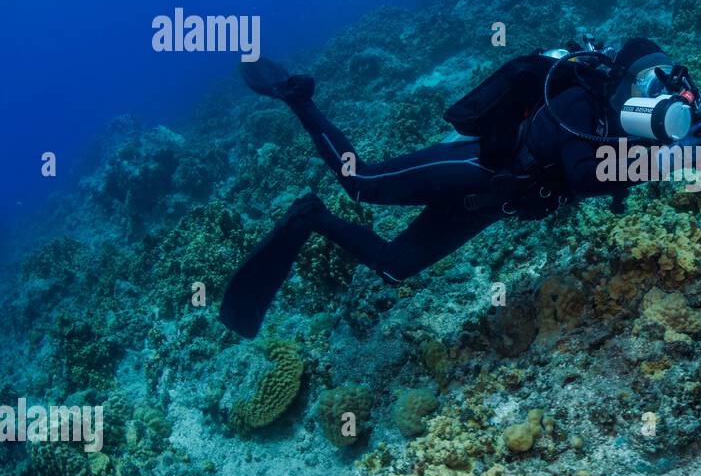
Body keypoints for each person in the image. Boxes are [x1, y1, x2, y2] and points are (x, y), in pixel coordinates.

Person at [218, 38, 677, 338]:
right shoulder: (581, 100)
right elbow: (584, 174)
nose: (656, 96)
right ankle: (298, 99)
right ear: (620, 78)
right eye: (647, 81)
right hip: (475, 166)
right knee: (363, 183)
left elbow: (616, 166)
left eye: (664, 84)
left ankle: (309, 216)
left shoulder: (632, 125)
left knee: (393, 267)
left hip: (492, 202)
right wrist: (671, 161)